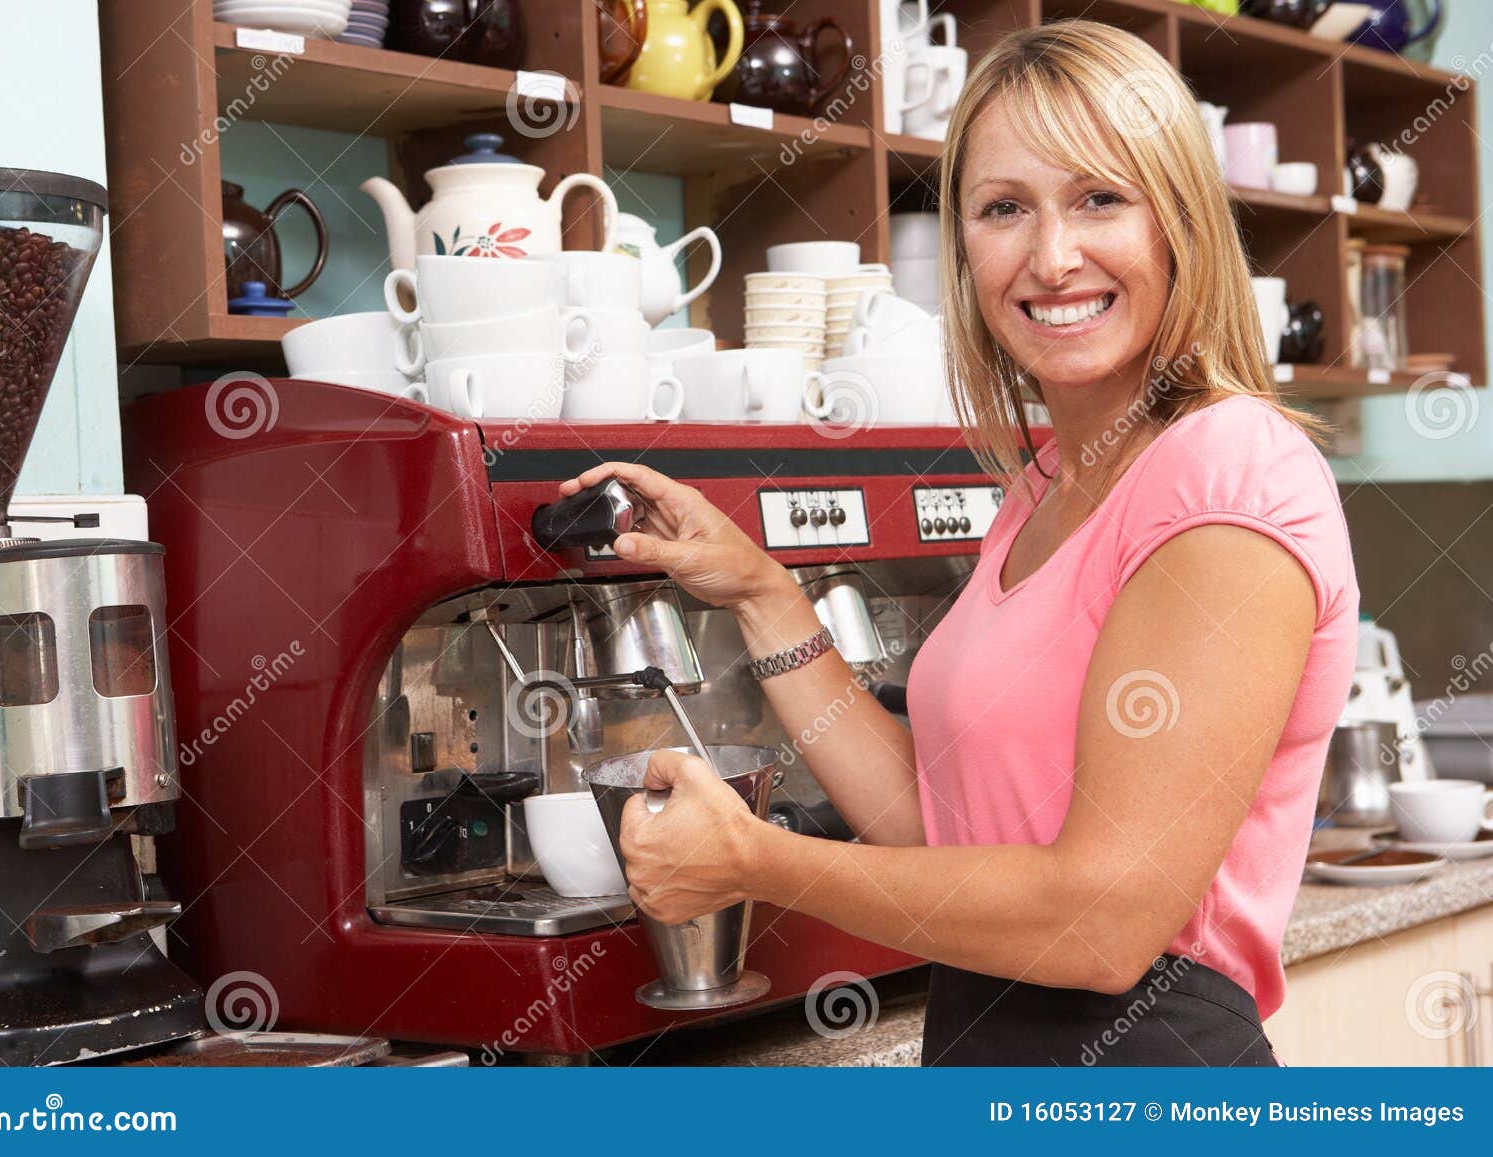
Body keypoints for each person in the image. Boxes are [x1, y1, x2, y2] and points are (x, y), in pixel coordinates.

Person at [556, 21, 1357, 1065]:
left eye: (1099, 198)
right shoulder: (1042, 491)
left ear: (1179, 224)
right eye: (1003, 209)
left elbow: (1104, 921)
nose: (1051, 256)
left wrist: (754, 858)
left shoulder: (1228, 474)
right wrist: (759, 591)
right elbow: (937, 827)